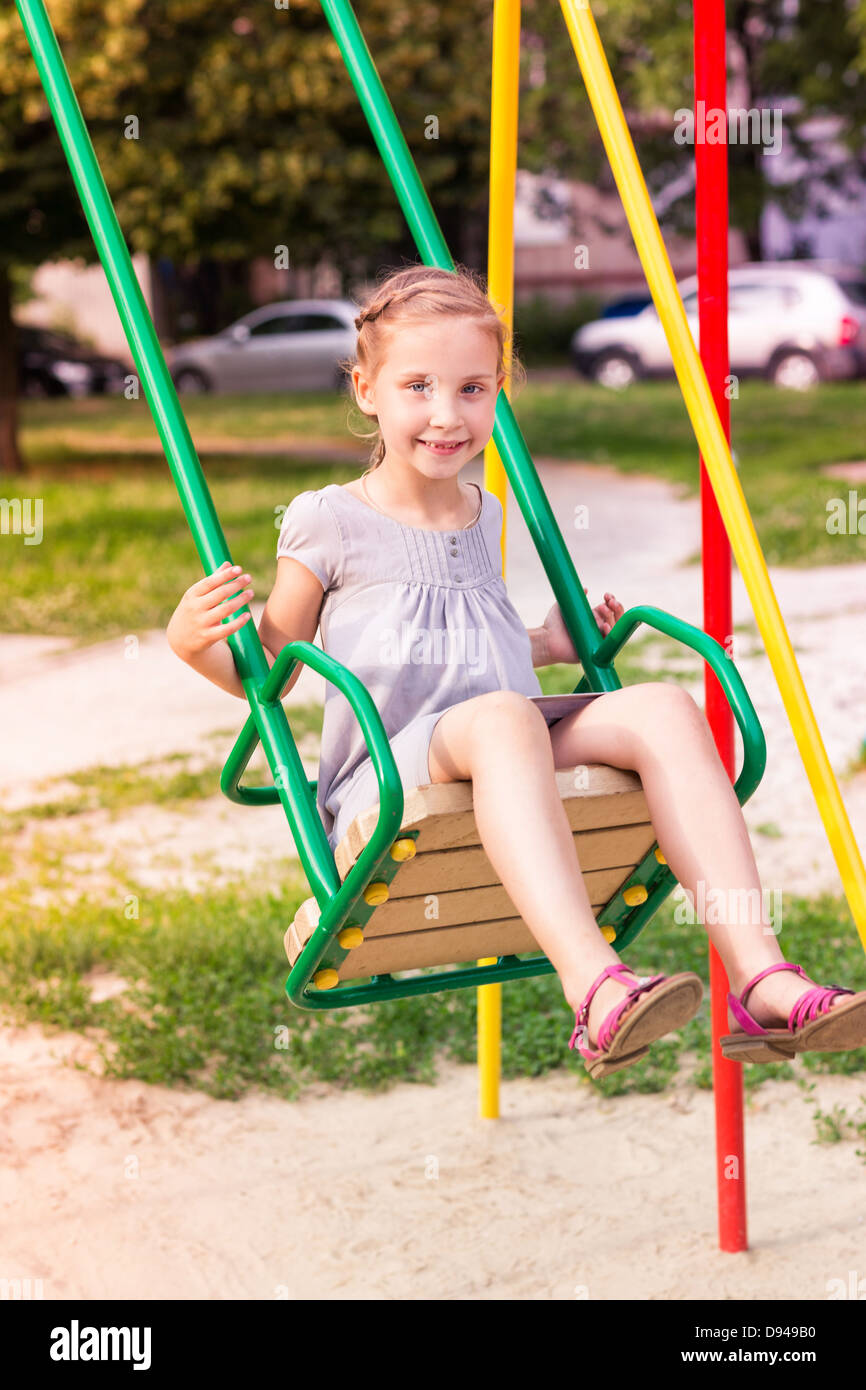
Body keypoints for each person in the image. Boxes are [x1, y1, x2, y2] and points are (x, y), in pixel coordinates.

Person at [166, 262, 866, 1079]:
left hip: (495, 738)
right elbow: (275, 671)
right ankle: (595, 990)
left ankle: (761, 977)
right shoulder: (330, 519)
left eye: (472, 389)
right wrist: (193, 645)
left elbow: (461, 644)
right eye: (418, 387)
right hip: (392, 771)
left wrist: (545, 641)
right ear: (367, 390)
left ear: (499, 390)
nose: (445, 415)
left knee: (666, 706)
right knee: (501, 716)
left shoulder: (483, 511)